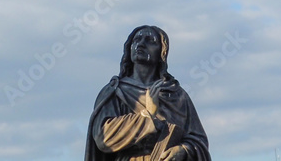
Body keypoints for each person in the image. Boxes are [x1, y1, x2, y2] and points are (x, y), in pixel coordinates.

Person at [85, 25, 210, 161]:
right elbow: (103, 137)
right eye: (137, 40)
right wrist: (147, 116)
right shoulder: (115, 91)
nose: (141, 44)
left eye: (150, 40)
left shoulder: (177, 95)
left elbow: (199, 140)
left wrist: (184, 150)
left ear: (162, 52)